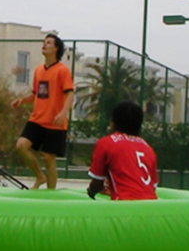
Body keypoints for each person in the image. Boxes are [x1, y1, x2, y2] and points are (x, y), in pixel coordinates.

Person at [11, 34, 75, 190]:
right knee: (21, 145)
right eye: (44, 42)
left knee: (48, 158)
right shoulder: (39, 70)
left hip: (55, 123)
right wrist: (22, 100)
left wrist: (63, 113)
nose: (44, 45)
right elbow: (37, 93)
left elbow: (70, 93)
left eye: (48, 43)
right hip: (37, 120)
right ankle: (40, 176)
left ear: (56, 48)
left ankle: (51, 193)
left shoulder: (62, 70)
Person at [87, 101, 158, 200]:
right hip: (152, 204)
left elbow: (97, 183)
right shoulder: (148, 148)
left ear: (113, 123)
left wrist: (91, 192)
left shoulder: (106, 143)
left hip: (125, 203)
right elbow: (152, 186)